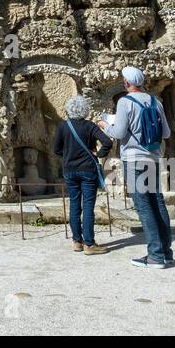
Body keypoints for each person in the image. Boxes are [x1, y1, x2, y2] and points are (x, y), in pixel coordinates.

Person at [97, 66, 173, 268]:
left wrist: (105, 125)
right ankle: (166, 251)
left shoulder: (124, 102)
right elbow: (166, 133)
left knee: (143, 205)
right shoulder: (155, 101)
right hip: (154, 158)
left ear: (126, 83)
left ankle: (155, 256)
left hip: (134, 159)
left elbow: (120, 132)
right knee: (157, 202)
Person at [52, 94, 112, 255]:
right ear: (85, 110)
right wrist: (99, 155)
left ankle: (77, 241)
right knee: (88, 206)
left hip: (69, 171)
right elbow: (108, 142)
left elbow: (56, 149)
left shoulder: (63, 126)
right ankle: (89, 244)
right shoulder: (90, 126)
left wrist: (67, 155)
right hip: (88, 171)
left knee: (74, 205)